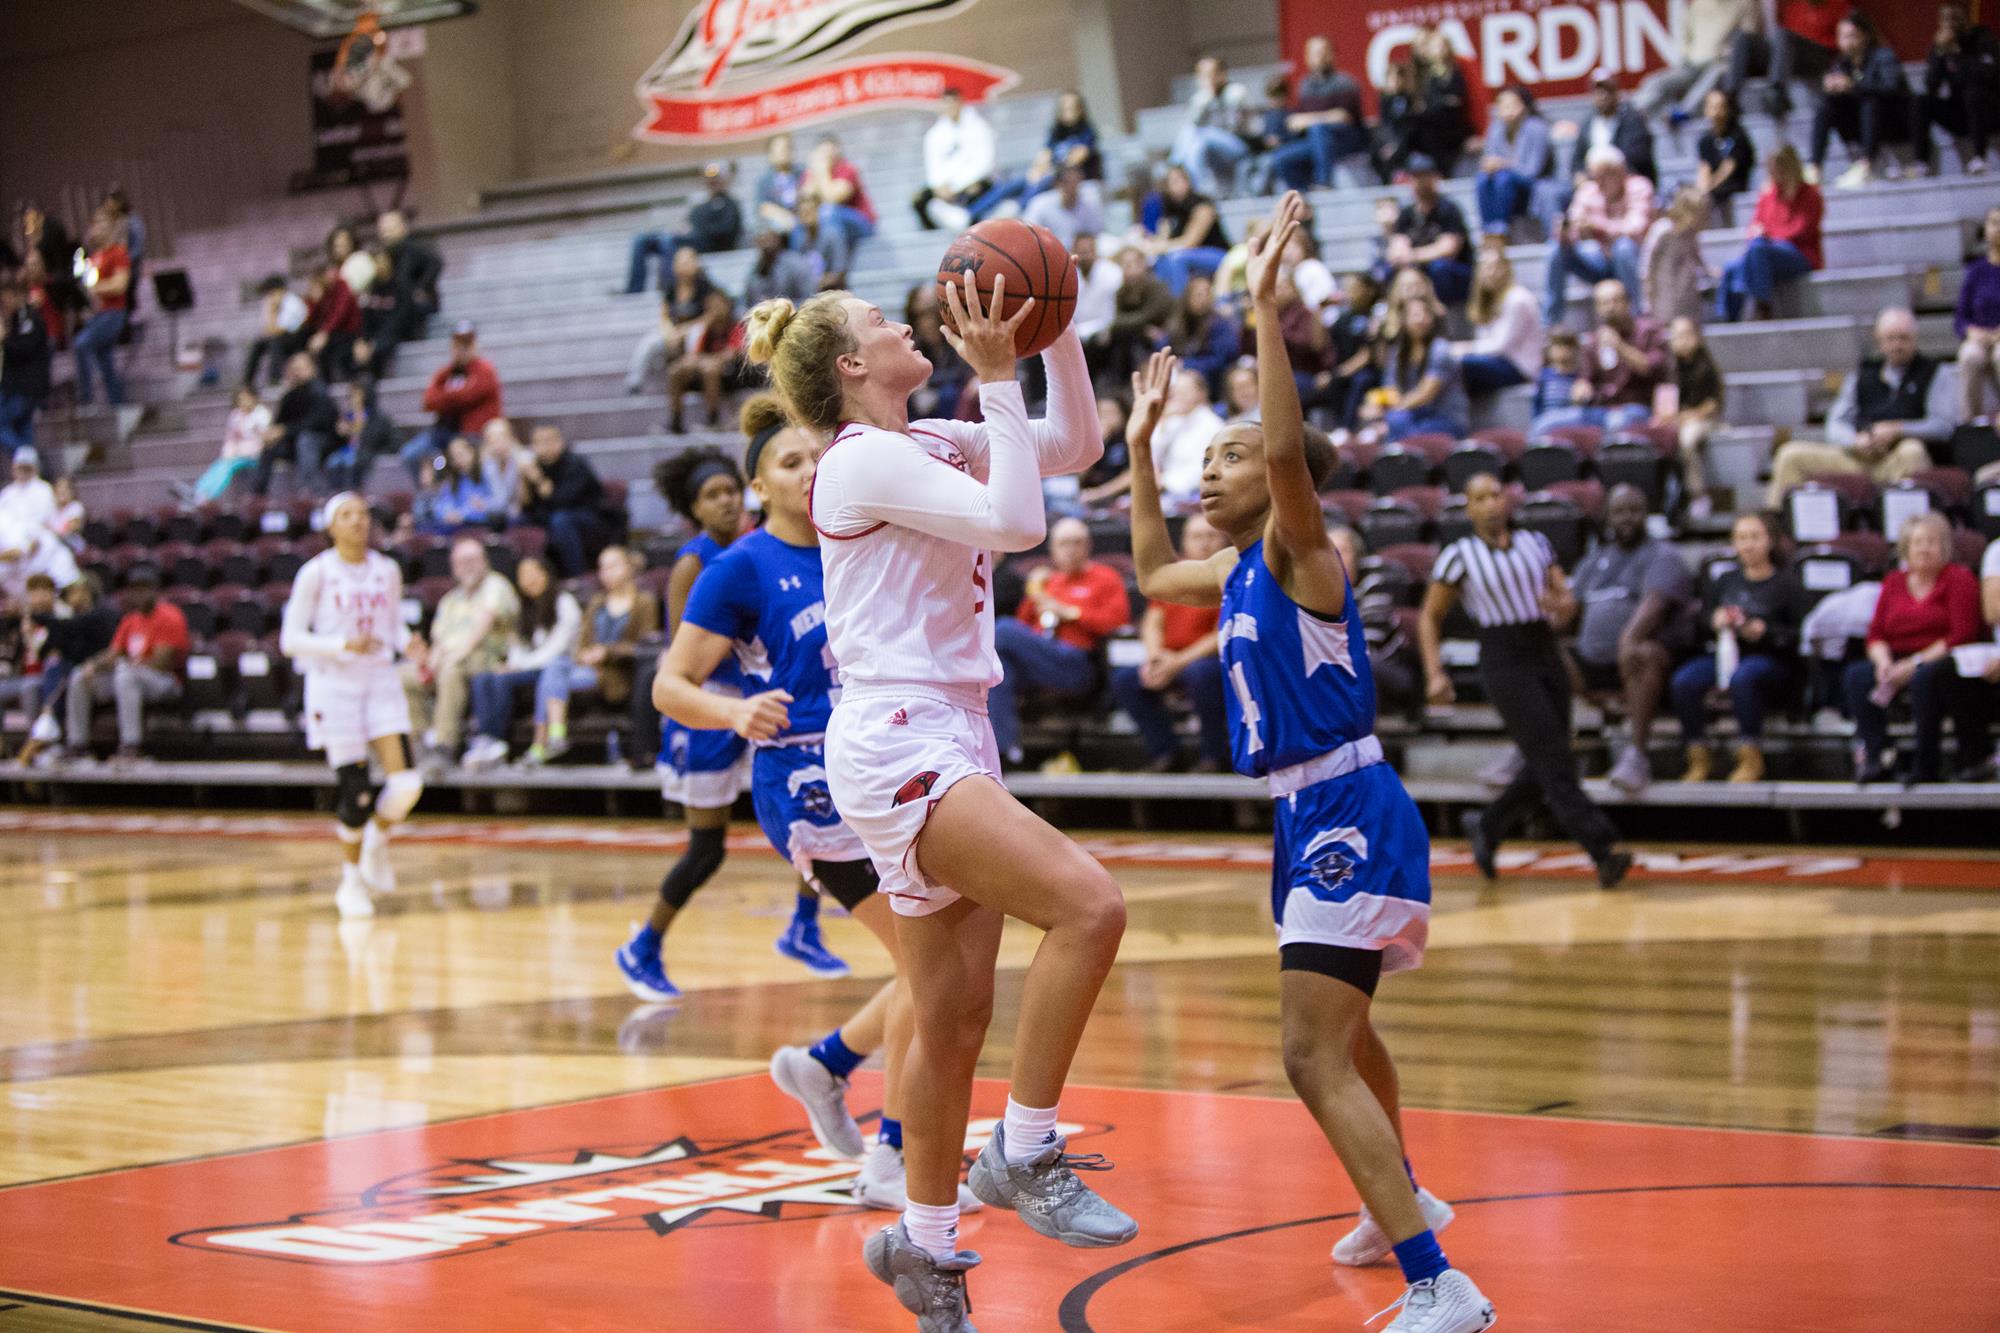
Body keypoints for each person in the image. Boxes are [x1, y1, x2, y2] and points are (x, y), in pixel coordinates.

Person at [1124, 193, 1495, 1333]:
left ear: (1280, 482)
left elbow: (1288, 447)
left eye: (1228, 455)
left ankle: (1439, 1281)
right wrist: (1138, 448)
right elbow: (1152, 574)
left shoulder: (1301, 554)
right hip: (1301, 814)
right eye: (1205, 456)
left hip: (1345, 803)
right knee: (1350, 1030)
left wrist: (1262, 305)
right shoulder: (1235, 571)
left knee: (1305, 1053)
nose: (1210, 468)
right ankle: (1402, 1196)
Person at [750, 276, 1137, 1322]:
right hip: (899, 730)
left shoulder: (924, 438)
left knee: (951, 1015)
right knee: (1089, 906)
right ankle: (1025, 1147)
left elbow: (1071, 447)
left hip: (943, 723)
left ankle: (922, 1249)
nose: (901, 321)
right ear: (850, 365)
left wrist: (1053, 331)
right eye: (878, 321)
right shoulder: (859, 457)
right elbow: (1017, 523)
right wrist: (998, 377)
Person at [650, 394, 975, 1215]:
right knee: (930, 964)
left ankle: (828, 1065)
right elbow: (670, 683)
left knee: (934, 960)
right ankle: (890, 1156)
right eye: (787, 462)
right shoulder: (741, 568)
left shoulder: (856, 537)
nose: (806, 471)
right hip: (807, 784)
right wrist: (730, 711)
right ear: (759, 486)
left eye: (813, 456)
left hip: (885, 757)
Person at [619, 443, 847, 994]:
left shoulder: (776, 548)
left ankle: (804, 925)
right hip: (711, 708)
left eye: (729, 491)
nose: (725, 502)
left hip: (763, 705)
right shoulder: (697, 564)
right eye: (711, 495)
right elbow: (688, 656)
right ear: (694, 509)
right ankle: (643, 945)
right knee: (707, 849)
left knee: (823, 809)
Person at [1422, 473, 1634, 887]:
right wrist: (1434, 672)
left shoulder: (1536, 543)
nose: (1490, 504)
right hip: (1502, 658)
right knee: (1554, 756)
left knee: (1549, 756)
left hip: (1544, 649)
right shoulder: (1458, 556)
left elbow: (1565, 601)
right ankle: (1602, 848)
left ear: (1507, 500)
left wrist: (1562, 605)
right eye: (1480, 498)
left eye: (1495, 495)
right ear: (1469, 508)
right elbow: (1430, 617)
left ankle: (1488, 824)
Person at [280, 493, 424, 918]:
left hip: (379, 680)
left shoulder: (387, 569)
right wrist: (343, 644)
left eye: (362, 514)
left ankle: (377, 840)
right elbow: (290, 640)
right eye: (347, 515)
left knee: (407, 785)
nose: (358, 521)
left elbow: (393, 624)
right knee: (356, 793)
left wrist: (409, 643)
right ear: (331, 527)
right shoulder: (316, 573)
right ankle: (351, 881)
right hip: (334, 686)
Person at [1555, 484, 1694, 793]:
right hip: (1593, 664)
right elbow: (1568, 612)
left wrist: (1628, 640)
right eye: (1619, 511)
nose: (1627, 518)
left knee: (1640, 651)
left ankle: (1637, 755)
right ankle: (1541, 751)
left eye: (1634, 510)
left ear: (1646, 514)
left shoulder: (1662, 555)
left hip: (1645, 662)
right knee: (1544, 654)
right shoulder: (1593, 561)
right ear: (1607, 517)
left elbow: (1655, 604)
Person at [1843, 512, 1984, 783]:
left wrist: (1914, 663)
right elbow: (1876, 634)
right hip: (1897, 657)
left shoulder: (1959, 579)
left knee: (1924, 678)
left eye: (1932, 542)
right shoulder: (1894, 581)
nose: (1924, 548)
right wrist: (1884, 663)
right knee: (1857, 675)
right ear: (1906, 548)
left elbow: (1961, 635)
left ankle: (1925, 763)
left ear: (1945, 547)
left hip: (1942, 660)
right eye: (1918, 542)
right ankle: (1878, 755)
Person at [1671, 511, 1812, 781]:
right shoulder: (1725, 581)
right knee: (1684, 681)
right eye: (1741, 538)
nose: (1748, 545)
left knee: (1744, 677)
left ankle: (1751, 754)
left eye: (1754, 537)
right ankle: (1698, 754)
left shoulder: (1788, 584)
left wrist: (1765, 632)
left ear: (1770, 541)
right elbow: (1702, 623)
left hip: (1771, 658)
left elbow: (1802, 634)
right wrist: (1714, 620)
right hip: (1726, 654)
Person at [1766, 308, 1957, 506]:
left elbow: (1944, 426)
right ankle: (1775, 520)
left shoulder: (1935, 372)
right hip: (1858, 456)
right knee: (1790, 455)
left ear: (1915, 339)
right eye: (1891, 339)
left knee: (1912, 451)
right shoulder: (1862, 375)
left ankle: (1902, 518)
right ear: (1879, 340)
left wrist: (1898, 430)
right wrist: (1854, 441)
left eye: (1903, 338)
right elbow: (1835, 423)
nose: (1897, 345)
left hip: (1896, 456)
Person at [988, 517, 1132, 768]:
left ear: (1089, 546)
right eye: (1064, 543)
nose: (1071, 549)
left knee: (1003, 629)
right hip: (1041, 659)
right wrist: (1035, 592)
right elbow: (1024, 626)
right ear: (1053, 550)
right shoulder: (1048, 582)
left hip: (1079, 663)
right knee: (997, 669)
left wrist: (1070, 612)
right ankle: (1004, 753)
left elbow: (1116, 622)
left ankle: (1004, 749)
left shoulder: (1105, 578)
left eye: (1077, 542)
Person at [1111, 514, 1228, 772]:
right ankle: (1166, 754)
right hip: (1171, 659)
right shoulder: (1175, 575)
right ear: (1184, 542)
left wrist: (1177, 662)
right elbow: (1153, 620)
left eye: (1211, 536)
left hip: (1211, 662)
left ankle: (1215, 756)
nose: (1204, 542)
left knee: (1201, 674)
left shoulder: (1230, 574)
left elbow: (1223, 633)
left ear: (1223, 540)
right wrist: (1155, 656)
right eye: (1197, 536)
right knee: (1125, 680)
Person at [537, 544, 659, 764]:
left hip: (620, 673)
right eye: (602, 568)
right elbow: (582, 643)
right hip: (587, 670)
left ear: (629, 567)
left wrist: (607, 652)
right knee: (554, 666)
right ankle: (555, 737)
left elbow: (646, 646)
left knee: (552, 681)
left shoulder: (644, 602)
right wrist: (584, 655)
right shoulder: (597, 602)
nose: (606, 573)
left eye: (612, 566)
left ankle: (540, 744)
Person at [402, 535, 519, 762]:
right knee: (404, 675)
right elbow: (439, 640)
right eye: (462, 562)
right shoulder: (450, 599)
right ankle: (421, 741)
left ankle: (444, 744)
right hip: (449, 658)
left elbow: (483, 626)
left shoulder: (496, 585)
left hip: (487, 658)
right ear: (454, 567)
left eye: (472, 560)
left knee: (451, 671)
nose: (467, 566)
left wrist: (453, 657)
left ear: (484, 561)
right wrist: (430, 663)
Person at [461, 556, 581, 770]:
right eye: (523, 576)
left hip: (558, 666)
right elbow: (516, 646)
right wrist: (512, 664)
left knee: (507, 680)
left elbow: (556, 649)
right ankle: (486, 739)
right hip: (529, 666)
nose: (528, 580)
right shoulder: (522, 608)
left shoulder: (564, 603)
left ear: (546, 574)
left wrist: (519, 666)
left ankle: (502, 740)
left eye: (533, 574)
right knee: (484, 678)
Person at [60, 569, 186, 766]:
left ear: (155, 591)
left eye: (144, 590)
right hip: (130, 677)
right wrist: (92, 665)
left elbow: (161, 663)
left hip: (165, 681)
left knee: (125, 674)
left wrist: (125, 664)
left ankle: (131, 746)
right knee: (79, 676)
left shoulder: (169, 616)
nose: (139, 595)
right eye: (135, 590)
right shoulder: (131, 619)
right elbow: (113, 654)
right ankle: (78, 745)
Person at [12, 574, 118, 768]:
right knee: (35, 683)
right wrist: (29, 635)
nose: (71, 597)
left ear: (87, 593)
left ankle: (57, 740)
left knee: (65, 672)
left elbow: (76, 640)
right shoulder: (69, 618)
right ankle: (43, 739)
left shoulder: (100, 615)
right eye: (69, 594)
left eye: (74, 592)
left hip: (100, 672)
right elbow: (46, 652)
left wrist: (33, 615)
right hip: (68, 672)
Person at [1543, 146, 1654, 325]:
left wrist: (1598, 227)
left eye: (1604, 176)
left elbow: (1636, 228)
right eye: (1595, 177)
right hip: (1599, 262)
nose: (1599, 183)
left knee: (1623, 247)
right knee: (1555, 249)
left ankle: (1640, 319)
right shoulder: (1588, 191)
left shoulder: (1639, 187)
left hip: (1635, 260)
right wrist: (1565, 234)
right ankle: (1551, 324)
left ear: (1620, 171)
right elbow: (1573, 222)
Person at [1714, 143, 1823, 323]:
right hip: (1766, 253)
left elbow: (1802, 230)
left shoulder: (1811, 194)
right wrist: (1760, 234)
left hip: (1800, 254)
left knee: (1757, 249)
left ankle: (1762, 305)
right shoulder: (1768, 195)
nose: (1776, 175)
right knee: (1731, 268)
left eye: (1780, 170)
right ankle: (1729, 320)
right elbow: (1754, 227)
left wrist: (1767, 236)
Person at [1813, 13, 1911, 190]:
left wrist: (1853, 85)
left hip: (1891, 120)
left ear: (1865, 36)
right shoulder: (1842, 63)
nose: (1847, 42)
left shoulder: (1883, 56)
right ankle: (1815, 168)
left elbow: (1891, 88)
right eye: (1842, 36)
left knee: (1870, 101)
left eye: (1852, 36)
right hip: (1860, 124)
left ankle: (1866, 165)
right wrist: (1832, 86)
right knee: (1827, 104)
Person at [404, 322, 502, 479]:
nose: (462, 349)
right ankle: (433, 489)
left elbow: (468, 396)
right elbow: (428, 401)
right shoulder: (446, 372)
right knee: (411, 454)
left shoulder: (485, 370)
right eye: (458, 344)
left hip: (473, 435)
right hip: (444, 433)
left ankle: (455, 487)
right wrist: (454, 396)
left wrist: (446, 397)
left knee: (455, 458)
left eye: (467, 344)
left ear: (475, 345)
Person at [626, 162, 742, 295]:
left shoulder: (730, 204)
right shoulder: (700, 206)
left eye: (716, 179)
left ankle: (670, 288)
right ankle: (634, 289)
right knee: (641, 239)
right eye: (710, 179)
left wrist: (698, 230)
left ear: (725, 180)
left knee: (667, 241)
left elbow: (726, 231)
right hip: (689, 239)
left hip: (708, 244)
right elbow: (688, 224)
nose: (713, 182)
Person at [1367, 294, 1469, 442]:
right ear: (1403, 320)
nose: (1421, 319)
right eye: (1415, 315)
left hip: (1444, 419)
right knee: (1394, 421)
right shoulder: (1398, 352)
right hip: (1412, 416)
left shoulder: (1440, 349)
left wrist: (1390, 410)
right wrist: (1376, 406)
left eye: (1426, 314)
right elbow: (1391, 390)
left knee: (1399, 428)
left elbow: (1425, 394)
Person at [353, 209, 443, 378]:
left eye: (390, 228)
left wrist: (420, 287)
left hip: (410, 309)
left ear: (403, 227)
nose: (386, 233)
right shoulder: (383, 256)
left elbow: (436, 263)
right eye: (383, 229)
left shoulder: (414, 249)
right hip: (392, 308)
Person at [1914, 4, 1999, 177]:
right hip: (1960, 113)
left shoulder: (1982, 38)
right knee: (1921, 101)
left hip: (1990, 109)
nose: (1951, 25)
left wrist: (1958, 54)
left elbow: (1990, 74)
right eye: (1945, 20)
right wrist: (1939, 54)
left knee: (1972, 93)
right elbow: (1931, 86)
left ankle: (1979, 157)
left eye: (1954, 19)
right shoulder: (1940, 47)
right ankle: (1921, 163)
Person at [1276, 35, 1369, 189]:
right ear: (1307, 57)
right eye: (1316, 53)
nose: (1321, 57)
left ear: (1332, 55)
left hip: (1346, 140)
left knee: (1318, 129)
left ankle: (1324, 183)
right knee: (1281, 158)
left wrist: (1310, 121)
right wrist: (1322, 118)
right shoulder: (1305, 86)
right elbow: (1293, 121)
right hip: (1317, 143)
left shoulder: (1345, 82)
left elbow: (1343, 117)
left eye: (1324, 52)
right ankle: (1301, 196)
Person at [1636, 0, 1754, 119]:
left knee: (1715, 75)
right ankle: (1635, 110)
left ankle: (1682, 113)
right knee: (1655, 82)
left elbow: (1747, 40)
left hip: (1721, 63)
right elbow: (1686, 39)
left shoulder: (1743, 4)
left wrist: (1726, 55)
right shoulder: (1695, 6)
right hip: (1692, 65)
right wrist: (1688, 58)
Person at [517, 424, 607, 579]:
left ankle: (577, 577)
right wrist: (523, 481)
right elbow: (527, 506)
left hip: (586, 516)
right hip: (549, 516)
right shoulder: (534, 466)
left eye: (547, 440)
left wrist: (538, 480)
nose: (542, 446)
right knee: (517, 522)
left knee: (561, 520)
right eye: (537, 442)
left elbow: (562, 501)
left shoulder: (576, 464)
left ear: (559, 442)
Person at [1578, 280, 1669, 431]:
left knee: (1615, 422)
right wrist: (1581, 388)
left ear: (1628, 303)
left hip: (1638, 407)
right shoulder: (1594, 339)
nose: (1610, 307)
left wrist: (1619, 346)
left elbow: (1652, 368)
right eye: (1604, 303)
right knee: (1547, 424)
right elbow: (1586, 379)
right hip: (1600, 409)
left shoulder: (1648, 331)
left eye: (1616, 301)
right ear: (1597, 308)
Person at [1731, 0, 1841, 122]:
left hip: (1821, 57)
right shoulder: (1790, 5)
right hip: (1788, 55)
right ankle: (1730, 96)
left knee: (1783, 35)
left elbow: (1845, 40)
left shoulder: (1838, 4)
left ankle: (1776, 92)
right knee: (1743, 39)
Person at [1455, 243, 1541, 393]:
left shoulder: (1517, 299)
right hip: (1498, 362)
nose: (1491, 273)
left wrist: (1466, 348)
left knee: (1460, 364)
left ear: (1506, 269)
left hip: (1519, 366)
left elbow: (1501, 346)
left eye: (1496, 267)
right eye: (1486, 268)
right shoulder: (1490, 301)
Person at [1662, 317, 1726, 517]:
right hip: (1674, 420)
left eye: (1686, 335)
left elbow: (1714, 404)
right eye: (1677, 336)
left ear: (1697, 337)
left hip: (1703, 420)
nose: (1682, 340)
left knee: (1687, 439)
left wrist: (1691, 415)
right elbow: (1663, 400)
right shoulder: (1669, 368)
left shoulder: (1706, 366)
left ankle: (1697, 494)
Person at [1388, 156, 1472, 307]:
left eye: (1424, 176)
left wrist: (1413, 256)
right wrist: (1405, 257)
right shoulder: (1406, 213)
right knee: (1389, 271)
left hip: (1455, 272)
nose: (1419, 182)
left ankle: (1443, 311)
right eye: (1415, 177)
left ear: (1435, 178)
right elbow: (1397, 248)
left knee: (1439, 268)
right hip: (1419, 268)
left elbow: (1448, 249)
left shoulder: (1448, 209)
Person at [253, 353, 339, 496]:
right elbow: (280, 423)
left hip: (323, 440)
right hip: (295, 442)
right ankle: (258, 493)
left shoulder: (320, 391)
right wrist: (272, 433)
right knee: (272, 445)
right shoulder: (290, 395)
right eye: (294, 369)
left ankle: (310, 490)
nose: (296, 373)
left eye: (300, 368)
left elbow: (317, 422)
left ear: (312, 368)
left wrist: (285, 430)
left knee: (306, 440)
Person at [1474, 86, 1552, 237]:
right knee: (1482, 179)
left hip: (1530, 184)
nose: (1506, 110)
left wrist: (1503, 164)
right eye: (1502, 105)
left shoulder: (1537, 128)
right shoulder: (1496, 128)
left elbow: (1532, 171)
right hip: (1504, 180)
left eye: (1511, 105)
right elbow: (1489, 158)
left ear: (1523, 106)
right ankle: (1488, 229)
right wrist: (1489, 165)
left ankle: (1501, 227)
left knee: (1503, 179)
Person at [913, 89, 996, 231]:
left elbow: (985, 162)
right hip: (945, 187)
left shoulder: (979, 127)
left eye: (952, 103)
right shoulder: (934, 134)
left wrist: (959, 185)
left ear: (960, 102)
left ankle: (970, 227)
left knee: (976, 191)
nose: (949, 107)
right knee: (919, 200)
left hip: (971, 182)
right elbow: (933, 165)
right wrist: (939, 186)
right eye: (945, 103)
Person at [1170, 54, 1253, 195]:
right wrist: (1207, 98)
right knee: (1195, 140)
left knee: (1199, 134)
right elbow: (1192, 123)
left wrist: (1211, 98)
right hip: (1210, 150)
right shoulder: (1200, 98)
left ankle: (1175, 166)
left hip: (1239, 146)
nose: (1209, 78)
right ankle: (1197, 187)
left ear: (1222, 74)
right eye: (1204, 75)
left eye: (1212, 73)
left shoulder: (1236, 92)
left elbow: (1234, 127)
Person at [72, 214, 131, 408]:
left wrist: (95, 288)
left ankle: (86, 400)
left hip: (113, 312)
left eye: (100, 225)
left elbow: (120, 284)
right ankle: (117, 404)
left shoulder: (118, 253)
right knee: (105, 360)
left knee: (81, 344)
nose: (95, 230)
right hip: (98, 313)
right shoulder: (93, 256)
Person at [1145, 166, 1231, 297]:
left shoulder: (1203, 205)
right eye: (1171, 182)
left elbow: (1191, 242)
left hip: (1217, 254)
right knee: (1160, 259)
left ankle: (1180, 303)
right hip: (1184, 252)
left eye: (1178, 180)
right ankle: (1164, 301)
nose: (1176, 185)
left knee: (1177, 258)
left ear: (1188, 181)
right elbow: (1162, 239)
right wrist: (1151, 245)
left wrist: (1161, 247)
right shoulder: (1169, 208)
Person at [666, 289, 742, 434]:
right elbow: (694, 354)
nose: (715, 309)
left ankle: (713, 420)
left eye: (718, 304)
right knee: (675, 370)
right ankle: (675, 422)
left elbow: (732, 353)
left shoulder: (736, 325)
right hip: (703, 368)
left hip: (731, 373)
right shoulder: (705, 328)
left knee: (710, 369)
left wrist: (708, 360)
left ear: (727, 305)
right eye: (711, 306)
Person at [805, 136, 876, 285]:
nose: (826, 156)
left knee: (828, 211)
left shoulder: (847, 169)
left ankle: (837, 273)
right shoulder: (811, 173)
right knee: (802, 223)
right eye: (822, 153)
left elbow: (832, 198)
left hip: (861, 222)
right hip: (832, 226)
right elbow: (804, 200)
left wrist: (822, 172)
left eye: (829, 151)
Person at [1642, 188, 1711, 329]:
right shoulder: (1663, 229)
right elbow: (1647, 264)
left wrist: (1709, 271)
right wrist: (1647, 297)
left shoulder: (1691, 235)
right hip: (1663, 287)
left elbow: (1697, 257)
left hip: (1685, 289)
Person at [1410, 26, 1474, 177]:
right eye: (1417, 47)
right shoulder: (1416, 76)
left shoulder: (1459, 67)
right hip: (1430, 141)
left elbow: (1467, 102)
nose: (1422, 51)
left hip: (1455, 137)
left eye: (1426, 45)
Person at [1955, 206, 2000, 421]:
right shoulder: (1975, 271)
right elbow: (1960, 319)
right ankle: (1972, 423)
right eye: (1994, 223)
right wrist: (1971, 332)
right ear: (1985, 230)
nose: (1999, 229)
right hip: (1979, 338)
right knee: (1969, 356)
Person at [1164, 274, 1240, 397]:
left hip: (1214, 384)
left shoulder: (1221, 325)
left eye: (1207, 294)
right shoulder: (1178, 323)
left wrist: (1186, 364)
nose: (1203, 299)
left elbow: (1220, 360)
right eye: (1198, 295)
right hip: (1182, 379)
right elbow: (1166, 346)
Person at [412, 434, 503, 536]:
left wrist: (466, 513)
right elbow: (442, 504)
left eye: (460, 455)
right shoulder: (454, 479)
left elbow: (498, 503)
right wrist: (447, 513)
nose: (458, 460)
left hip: (481, 525)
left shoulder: (487, 471)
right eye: (453, 458)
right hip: (456, 526)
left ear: (472, 452)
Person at [0, 281, 51, 455]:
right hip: (14, 385)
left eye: (6, 298)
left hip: (26, 387)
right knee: (24, 430)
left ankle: (29, 460)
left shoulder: (31, 319)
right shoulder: (13, 319)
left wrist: (4, 339)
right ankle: (32, 465)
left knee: (3, 424)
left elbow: (26, 349)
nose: (4, 303)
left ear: (18, 296)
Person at [1580, 70, 1657, 184]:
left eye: (1608, 90)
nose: (1603, 96)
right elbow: (1577, 160)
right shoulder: (1587, 124)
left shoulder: (1633, 120)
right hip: (1596, 182)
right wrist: (1580, 174)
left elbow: (1637, 158)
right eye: (1598, 92)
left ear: (1616, 93)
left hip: (1629, 181)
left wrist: (1609, 175)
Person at [1694, 88, 1757, 223]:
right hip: (1713, 191)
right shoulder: (1705, 140)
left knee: (1714, 196)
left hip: (1733, 188)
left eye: (1720, 107)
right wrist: (1701, 190)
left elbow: (1728, 169)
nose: (1716, 112)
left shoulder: (1738, 136)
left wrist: (1708, 189)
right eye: (1712, 107)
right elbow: (1704, 168)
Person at [323, 381, 395, 495]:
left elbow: (375, 439)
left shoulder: (375, 417)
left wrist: (358, 427)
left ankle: (353, 493)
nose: (354, 398)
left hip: (364, 452)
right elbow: (336, 439)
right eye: (352, 394)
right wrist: (339, 433)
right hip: (346, 451)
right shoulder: (347, 416)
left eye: (357, 394)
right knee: (333, 462)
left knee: (351, 462)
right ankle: (336, 493)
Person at [1021, 168, 1106, 251]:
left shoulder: (1090, 204)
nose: (1072, 187)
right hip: (1050, 252)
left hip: (1080, 253)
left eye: (1076, 182)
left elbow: (1096, 234)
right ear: (1058, 184)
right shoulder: (1040, 204)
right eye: (1067, 182)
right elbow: (1030, 234)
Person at [741, 227, 816, 309]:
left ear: (778, 239)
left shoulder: (796, 263)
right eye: (762, 241)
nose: (766, 245)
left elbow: (809, 299)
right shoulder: (754, 270)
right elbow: (747, 304)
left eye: (769, 239)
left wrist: (779, 306)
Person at [0, 448, 56, 537]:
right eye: (20, 468)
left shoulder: (44, 489)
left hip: (38, 536)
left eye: (27, 468)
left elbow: (46, 518)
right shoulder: (7, 492)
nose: (23, 472)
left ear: (35, 469)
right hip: (10, 537)